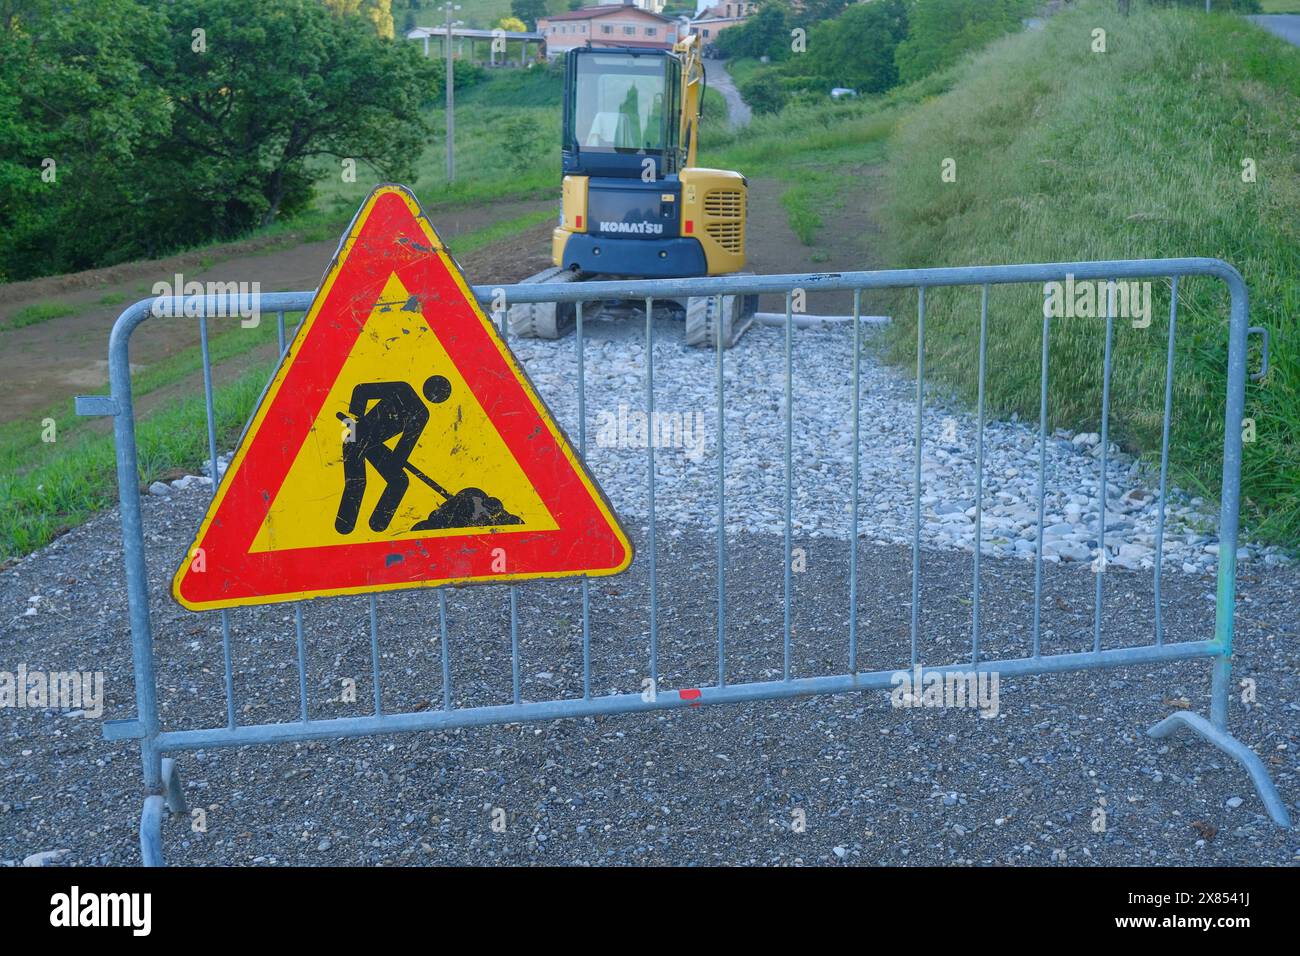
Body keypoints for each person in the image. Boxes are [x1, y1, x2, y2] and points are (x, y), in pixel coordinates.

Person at [334, 375, 451, 534]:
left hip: (374, 446)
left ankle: (378, 524)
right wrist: (355, 417)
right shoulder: (402, 389)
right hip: (355, 439)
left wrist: (396, 463)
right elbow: (362, 390)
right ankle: (344, 526)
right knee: (357, 482)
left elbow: (404, 447)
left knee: (399, 481)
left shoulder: (421, 414)